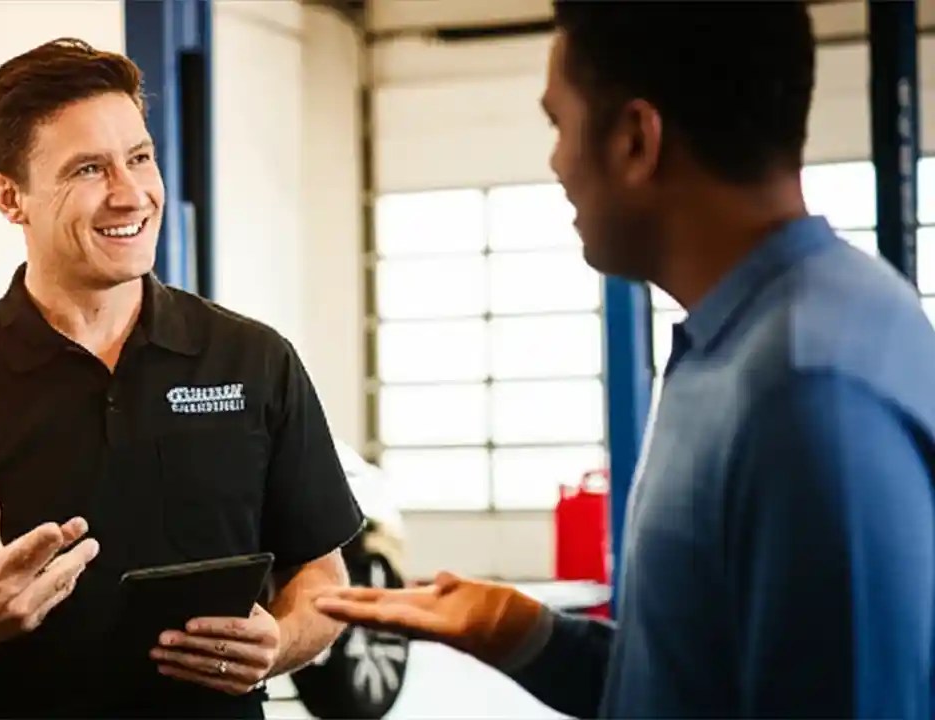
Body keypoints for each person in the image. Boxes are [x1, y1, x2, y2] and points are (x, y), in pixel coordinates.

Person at [315, 2, 935, 718]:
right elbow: (689, 686)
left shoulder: (810, 393)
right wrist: (522, 632)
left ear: (637, 139)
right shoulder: (735, 346)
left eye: (558, 124)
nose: (555, 163)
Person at [0, 37, 364, 719]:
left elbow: (322, 581)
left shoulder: (254, 362)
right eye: (88, 170)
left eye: (139, 157)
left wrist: (277, 642)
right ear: (10, 198)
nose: (131, 194)